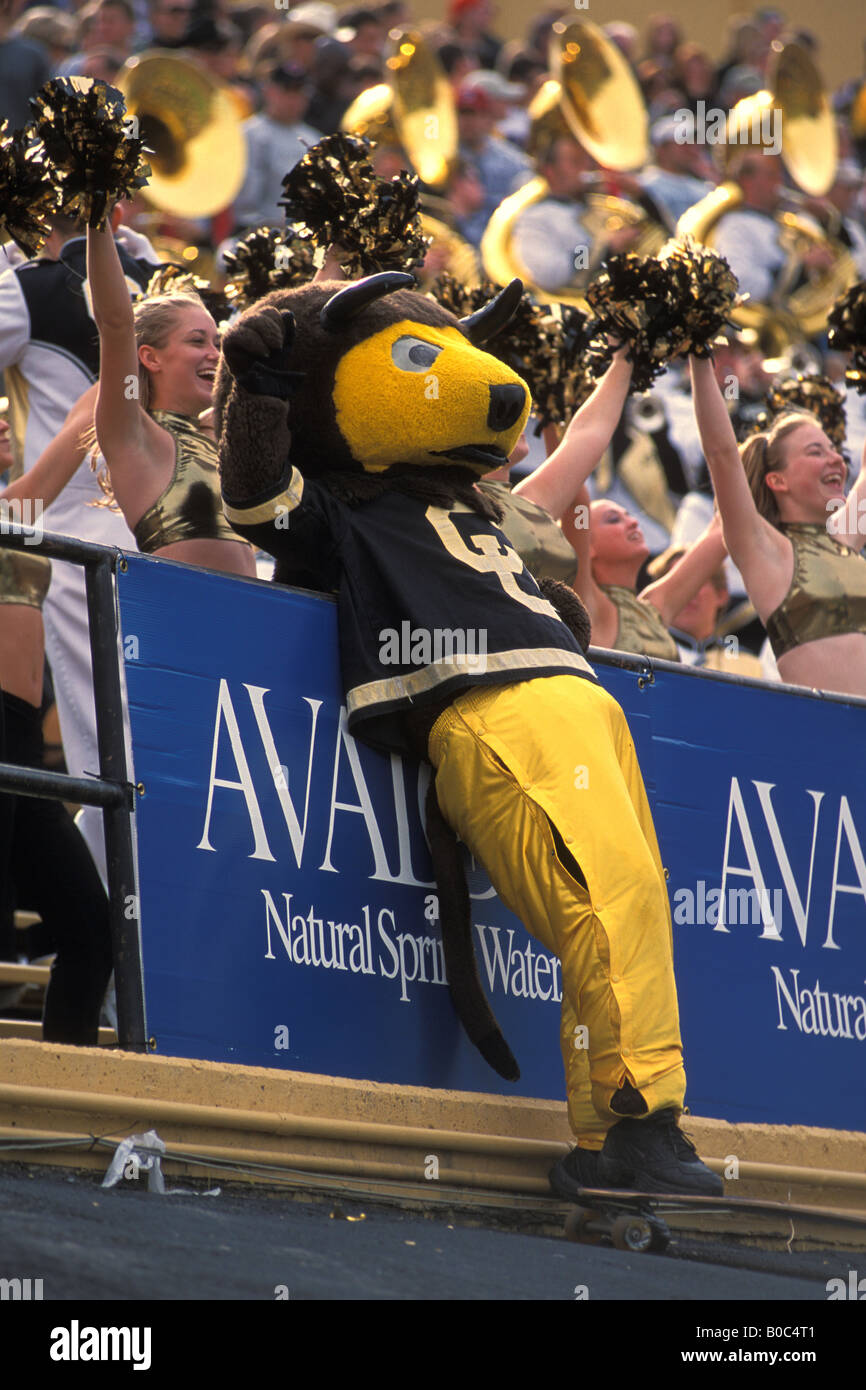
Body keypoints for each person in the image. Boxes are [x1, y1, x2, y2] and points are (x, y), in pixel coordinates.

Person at [86, 219, 257, 577]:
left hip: (255, 623)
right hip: (182, 623)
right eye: (197, 341)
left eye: (217, 342)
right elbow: (116, 325)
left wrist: (336, 255)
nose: (215, 354)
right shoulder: (134, 438)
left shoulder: (220, 434)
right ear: (150, 357)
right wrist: (97, 213)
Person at [689, 353, 866, 697]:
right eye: (816, 452)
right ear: (777, 480)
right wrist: (699, 354)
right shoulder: (766, 553)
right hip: (825, 741)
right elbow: (722, 454)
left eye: (834, 449)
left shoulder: (845, 541)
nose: (836, 459)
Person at [232, 62, 322, 233]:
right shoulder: (249, 134)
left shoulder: (314, 139)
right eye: (287, 92)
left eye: (299, 93)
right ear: (269, 91)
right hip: (256, 236)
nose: (294, 100)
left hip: (303, 238)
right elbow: (244, 202)